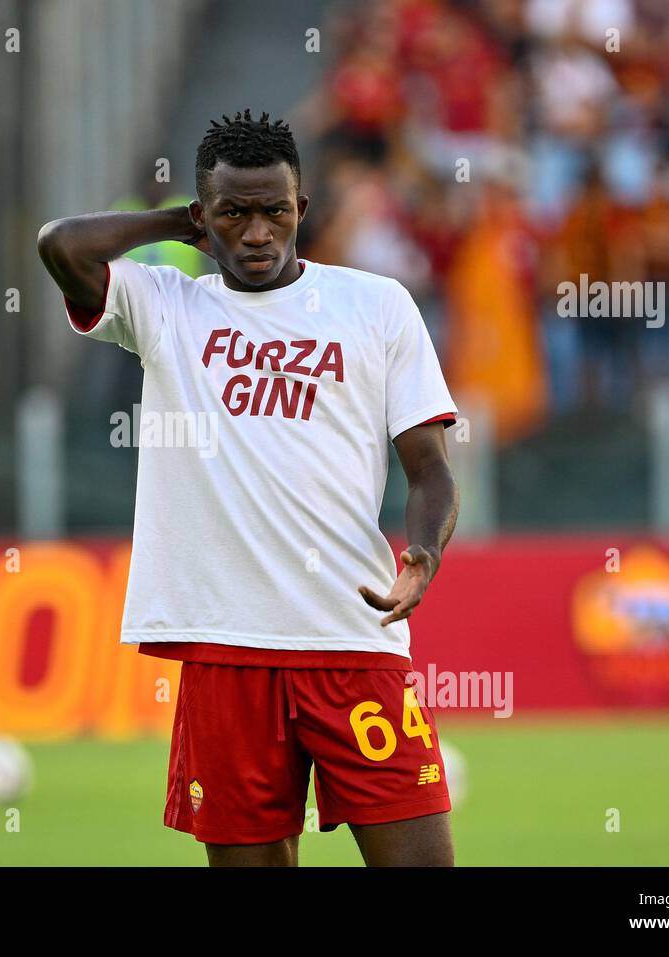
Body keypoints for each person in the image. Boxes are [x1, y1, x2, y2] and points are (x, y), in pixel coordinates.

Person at [37, 110, 460, 867]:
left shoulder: (376, 305)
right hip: (226, 648)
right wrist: (179, 224)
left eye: (276, 210)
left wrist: (422, 553)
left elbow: (428, 465)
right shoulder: (167, 304)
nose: (258, 233)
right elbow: (59, 244)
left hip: (351, 636)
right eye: (235, 213)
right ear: (205, 218)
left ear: (303, 209)